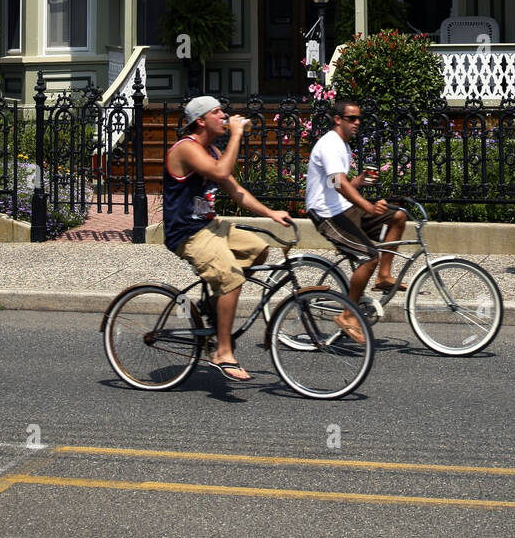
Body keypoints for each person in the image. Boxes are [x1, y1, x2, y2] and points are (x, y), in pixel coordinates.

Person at [163, 96, 292, 382]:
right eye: (217, 112)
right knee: (232, 277)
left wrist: (271, 213)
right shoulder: (187, 149)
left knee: (259, 249)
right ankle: (222, 351)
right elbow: (222, 172)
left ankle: (217, 300)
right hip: (188, 233)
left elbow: (236, 191)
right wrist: (236, 134)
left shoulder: (211, 150)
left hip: (211, 225)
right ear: (200, 121)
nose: (225, 116)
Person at [304, 99, 407, 341]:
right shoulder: (330, 144)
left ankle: (383, 277)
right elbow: (338, 184)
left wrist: (359, 181)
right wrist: (369, 206)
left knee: (398, 217)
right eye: (352, 118)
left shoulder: (343, 145)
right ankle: (348, 316)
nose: (357, 123)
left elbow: (333, 183)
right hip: (326, 213)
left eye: (359, 118)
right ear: (338, 119)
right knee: (369, 256)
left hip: (343, 208)